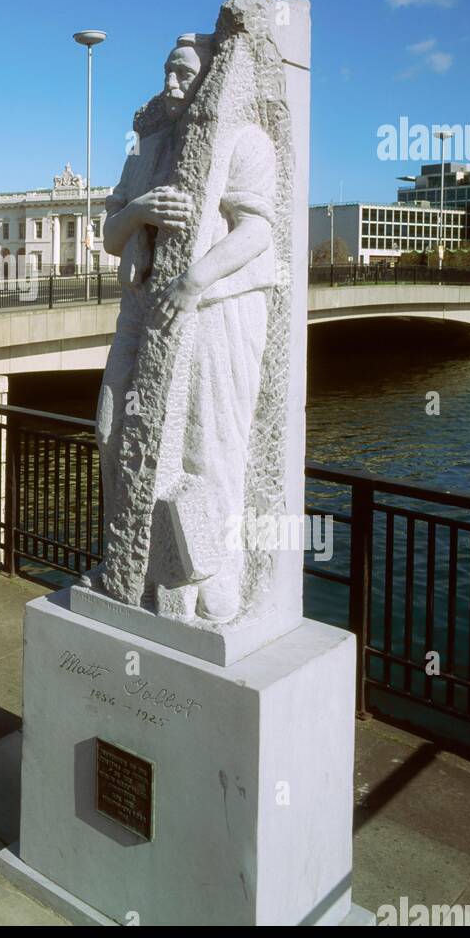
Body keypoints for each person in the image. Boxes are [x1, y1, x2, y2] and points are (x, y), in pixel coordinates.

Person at [97, 34, 277, 622]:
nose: (171, 85)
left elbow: (257, 232)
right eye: (167, 73)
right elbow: (110, 236)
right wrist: (141, 210)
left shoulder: (246, 141)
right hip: (140, 311)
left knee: (210, 446)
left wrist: (195, 281)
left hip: (213, 310)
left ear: (210, 81)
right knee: (111, 432)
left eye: (183, 75)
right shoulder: (148, 148)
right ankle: (128, 559)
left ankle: (210, 576)